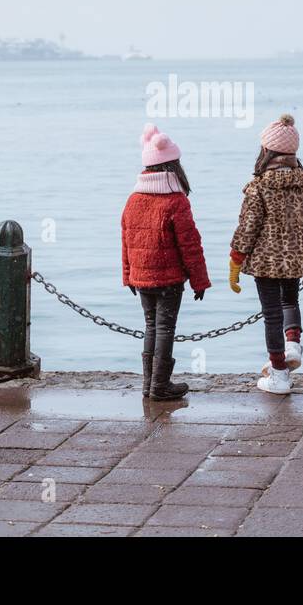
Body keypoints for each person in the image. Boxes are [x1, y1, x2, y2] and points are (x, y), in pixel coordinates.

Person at [229, 114, 303, 394]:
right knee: (290, 301)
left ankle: (279, 374)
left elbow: (248, 227)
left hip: (266, 262)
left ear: (266, 151)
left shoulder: (259, 186)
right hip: (296, 260)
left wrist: (235, 259)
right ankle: (293, 345)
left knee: (271, 315)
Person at [121, 123, 211, 400]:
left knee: (151, 326)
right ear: (174, 167)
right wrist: (199, 281)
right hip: (170, 279)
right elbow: (190, 245)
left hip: (142, 277)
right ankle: (159, 386)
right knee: (165, 328)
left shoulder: (133, 199)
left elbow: (125, 241)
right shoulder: (176, 201)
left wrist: (128, 276)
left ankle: (151, 385)